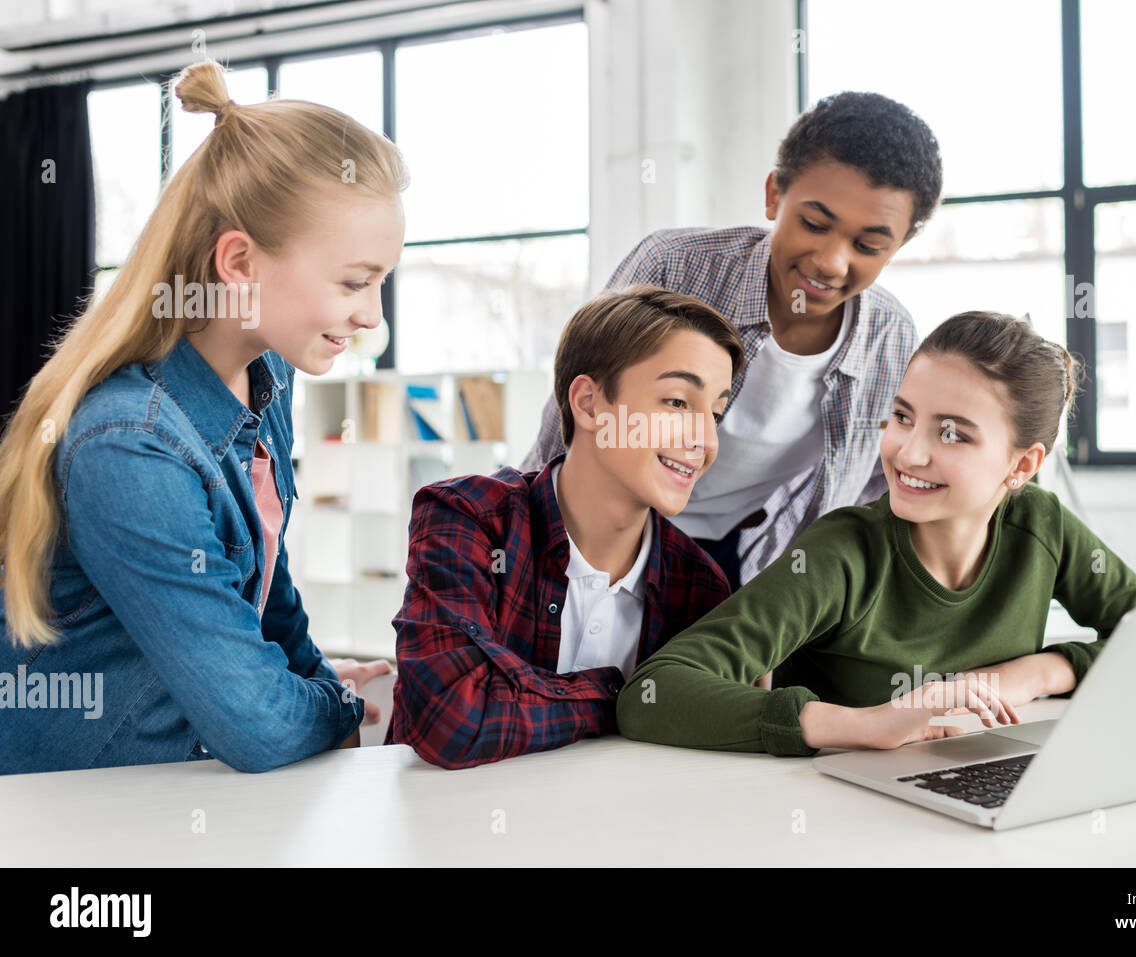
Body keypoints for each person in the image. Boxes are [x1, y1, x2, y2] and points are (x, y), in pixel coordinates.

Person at [0, 59, 404, 773]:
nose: (371, 314)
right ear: (240, 261)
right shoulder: (128, 444)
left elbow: (266, 589)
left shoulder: (266, 372)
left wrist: (312, 676)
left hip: (172, 793)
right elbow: (258, 726)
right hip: (78, 819)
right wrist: (332, 706)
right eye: (353, 281)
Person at [616, 312, 1136, 756]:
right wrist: (865, 724)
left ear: (1021, 466)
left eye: (952, 433)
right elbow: (654, 692)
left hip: (984, 789)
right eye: (904, 417)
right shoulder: (843, 553)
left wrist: (1035, 672)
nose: (908, 452)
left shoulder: (1041, 526)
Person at [523, 91, 943, 591]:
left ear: (900, 245)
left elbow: (877, 494)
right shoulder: (673, 266)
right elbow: (567, 421)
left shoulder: (891, 341)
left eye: (869, 246)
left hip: (734, 557)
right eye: (813, 224)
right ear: (773, 195)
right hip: (599, 530)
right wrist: (515, 537)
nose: (831, 262)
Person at [387, 286, 740, 769]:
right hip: (440, 831)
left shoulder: (698, 587)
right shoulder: (467, 518)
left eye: (716, 412)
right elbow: (452, 721)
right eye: (678, 402)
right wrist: (624, 693)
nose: (705, 439)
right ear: (590, 404)